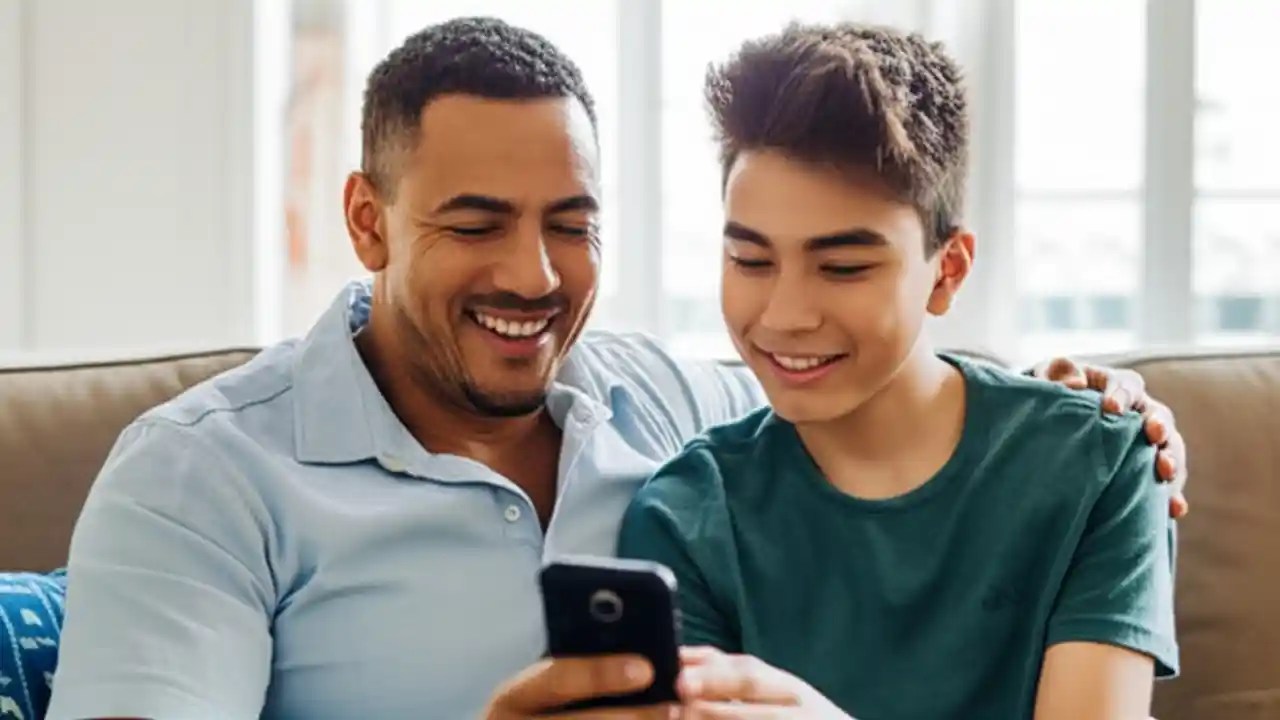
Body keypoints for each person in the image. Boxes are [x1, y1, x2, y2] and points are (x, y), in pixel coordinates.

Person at [46, 17, 1187, 720]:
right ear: (368, 220)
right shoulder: (203, 479)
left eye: (571, 222)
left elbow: (872, 385)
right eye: (475, 222)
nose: (533, 275)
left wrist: (1092, 411)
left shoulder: (675, 406)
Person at [617, 21, 1178, 719]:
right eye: (751, 261)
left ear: (947, 272)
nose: (786, 314)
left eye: (843, 267)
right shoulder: (684, 518)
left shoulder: (1100, 464)